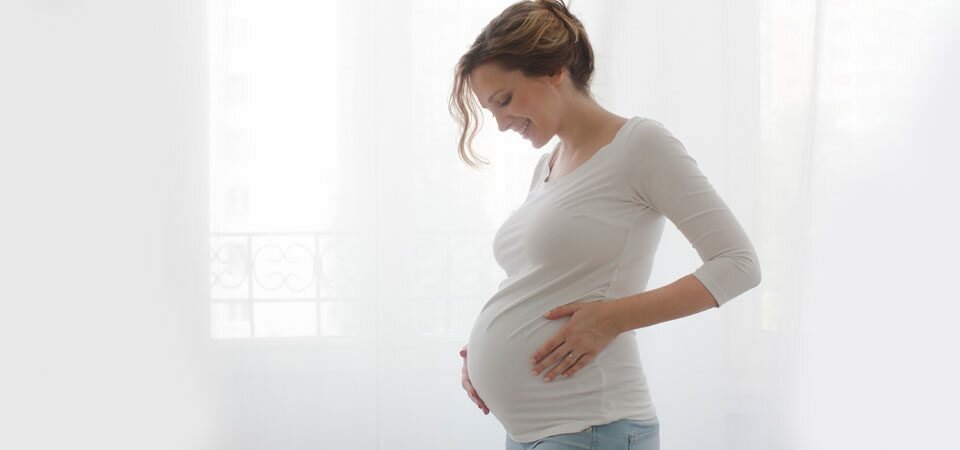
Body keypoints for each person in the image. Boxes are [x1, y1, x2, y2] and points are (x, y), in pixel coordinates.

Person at [448, 1, 762, 449]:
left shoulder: (640, 145)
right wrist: (480, 355)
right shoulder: (547, 166)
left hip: (593, 427)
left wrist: (612, 318)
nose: (499, 124)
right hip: (533, 433)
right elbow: (541, 279)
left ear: (554, 69)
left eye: (505, 100)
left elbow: (739, 264)